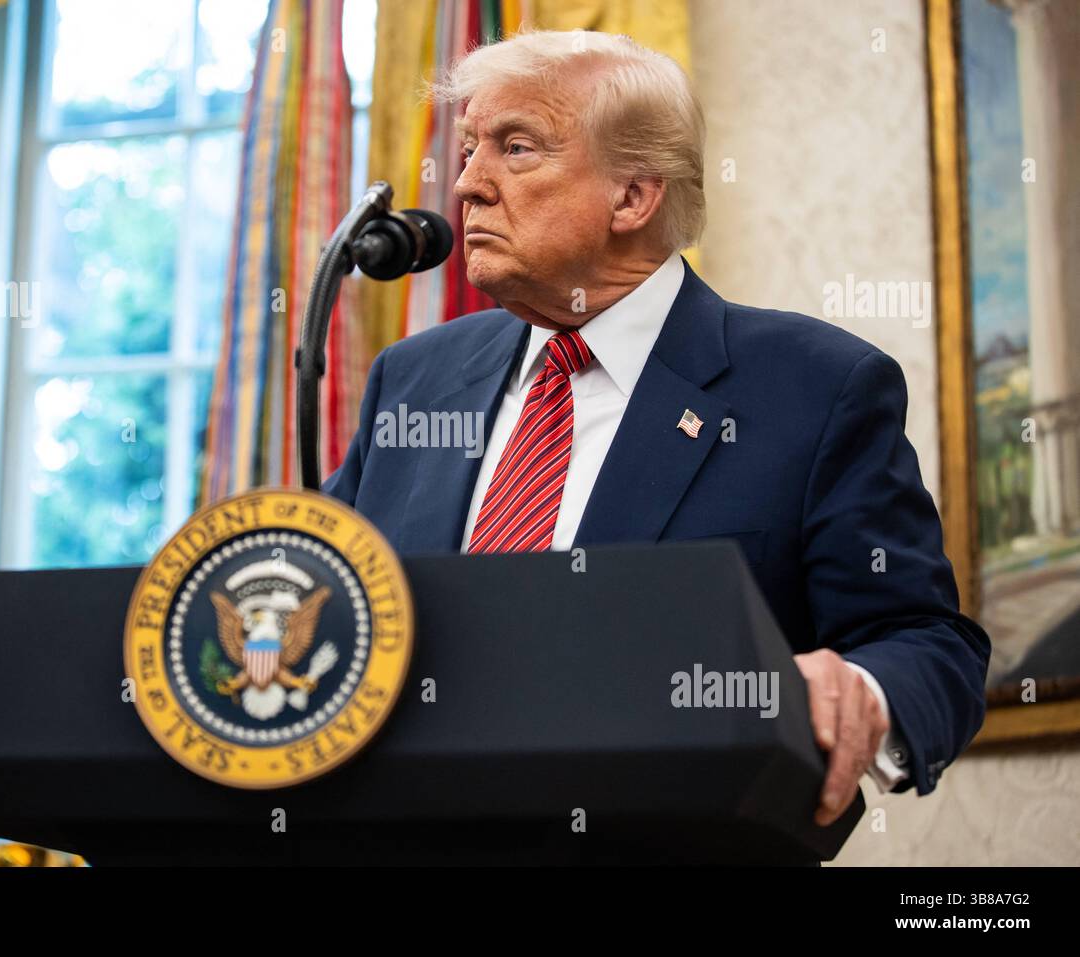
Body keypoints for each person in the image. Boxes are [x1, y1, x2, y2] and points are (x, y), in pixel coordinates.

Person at [323, 30, 989, 826]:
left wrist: (863, 693)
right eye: (469, 149)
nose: (466, 184)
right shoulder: (413, 382)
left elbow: (927, 644)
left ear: (633, 196)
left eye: (515, 147)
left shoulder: (817, 388)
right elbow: (331, 601)